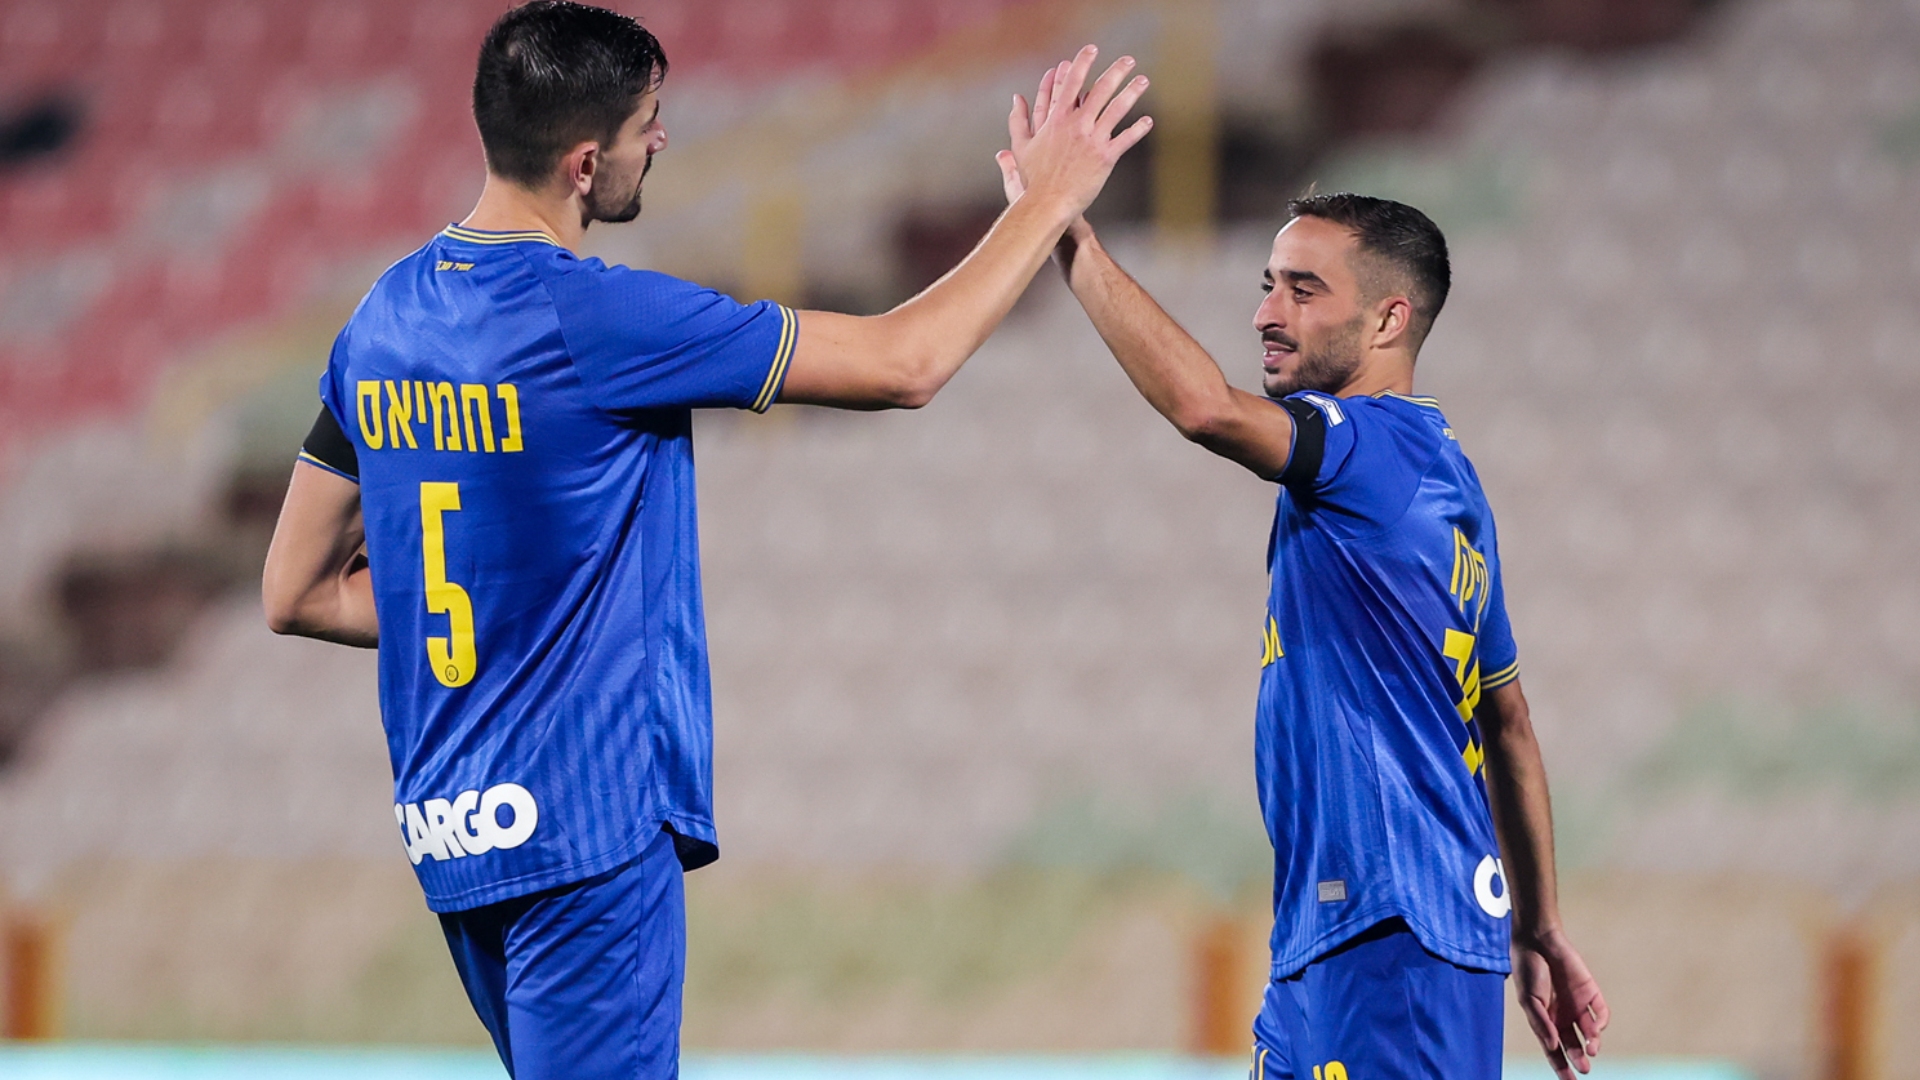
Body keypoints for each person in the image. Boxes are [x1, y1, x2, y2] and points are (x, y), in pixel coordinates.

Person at [260, 5, 1150, 1076]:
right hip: (586, 832)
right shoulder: (596, 317)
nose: (662, 140)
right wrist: (1048, 200)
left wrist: (506, 623)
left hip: (454, 835)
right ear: (585, 164)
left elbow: (296, 593)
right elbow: (903, 364)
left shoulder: (378, 322)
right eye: (650, 122)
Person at [996, 68, 1608, 1080]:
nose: (1267, 314)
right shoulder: (1450, 483)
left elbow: (1203, 406)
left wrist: (1065, 226)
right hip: (1342, 926)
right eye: (1266, 284)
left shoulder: (1364, 447)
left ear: (1387, 322)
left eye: (1303, 289)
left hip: (1398, 922)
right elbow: (1510, 722)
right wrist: (1539, 929)